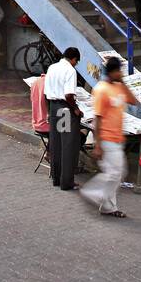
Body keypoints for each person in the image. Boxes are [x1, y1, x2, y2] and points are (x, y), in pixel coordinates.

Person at [81, 56, 139, 217]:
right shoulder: (101, 90)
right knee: (117, 173)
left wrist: (124, 83)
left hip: (117, 137)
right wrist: (98, 144)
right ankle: (93, 193)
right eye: (118, 70)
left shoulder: (119, 87)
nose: (120, 73)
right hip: (106, 138)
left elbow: (134, 101)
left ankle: (108, 207)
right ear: (112, 72)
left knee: (114, 172)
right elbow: (97, 118)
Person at [43, 47, 83, 191]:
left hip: (54, 108)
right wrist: (76, 110)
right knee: (67, 145)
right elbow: (68, 95)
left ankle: (56, 178)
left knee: (56, 143)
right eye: (76, 62)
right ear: (74, 59)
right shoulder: (70, 70)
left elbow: (46, 93)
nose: (75, 64)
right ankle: (66, 182)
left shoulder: (52, 67)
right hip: (65, 110)